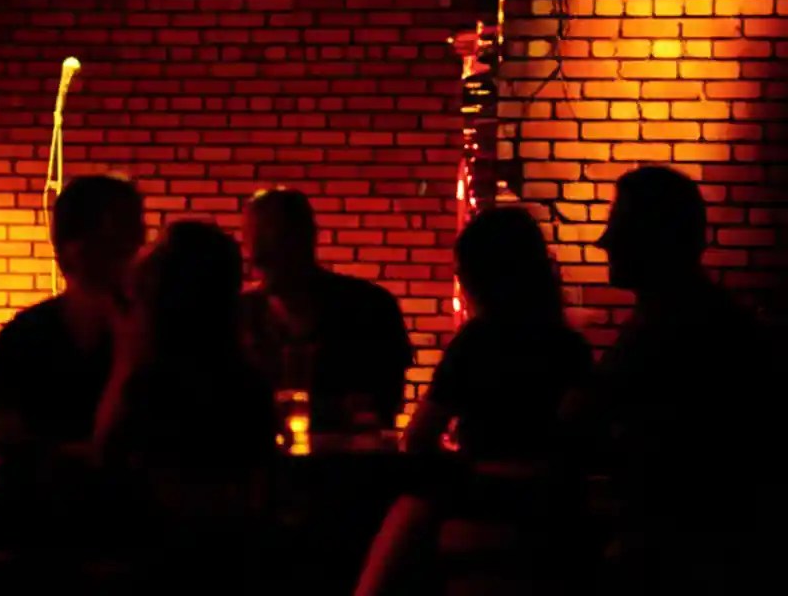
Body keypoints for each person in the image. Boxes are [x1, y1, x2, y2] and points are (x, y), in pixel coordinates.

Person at [354, 207, 592, 596]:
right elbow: (578, 435)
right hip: (554, 507)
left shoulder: (477, 341)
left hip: (486, 496)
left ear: (478, 278)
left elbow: (417, 439)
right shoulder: (572, 348)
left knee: (408, 511)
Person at [590, 166, 778, 595]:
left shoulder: (665, 331)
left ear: (655, 238)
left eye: (619, 226)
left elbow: (583, 421)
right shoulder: (713, 320)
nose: (604, 242)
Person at [93, 220, 278, 592]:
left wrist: (125, 361)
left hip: (157, 565)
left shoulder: (153, 384)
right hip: (234, 566)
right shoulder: (247, 379)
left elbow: (107, 466)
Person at [0, 174, 146, 451]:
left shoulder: (152, 338)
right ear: (77, 249)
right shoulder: (25, 341)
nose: (139, 250)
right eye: (124, 237)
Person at [241, 187, 413, 431]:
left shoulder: (368, 310)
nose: (256, 253)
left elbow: (382, 406)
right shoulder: (237, 317)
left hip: (346, 466)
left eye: (271, 236)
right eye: (251, 237)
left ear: (305, 238)